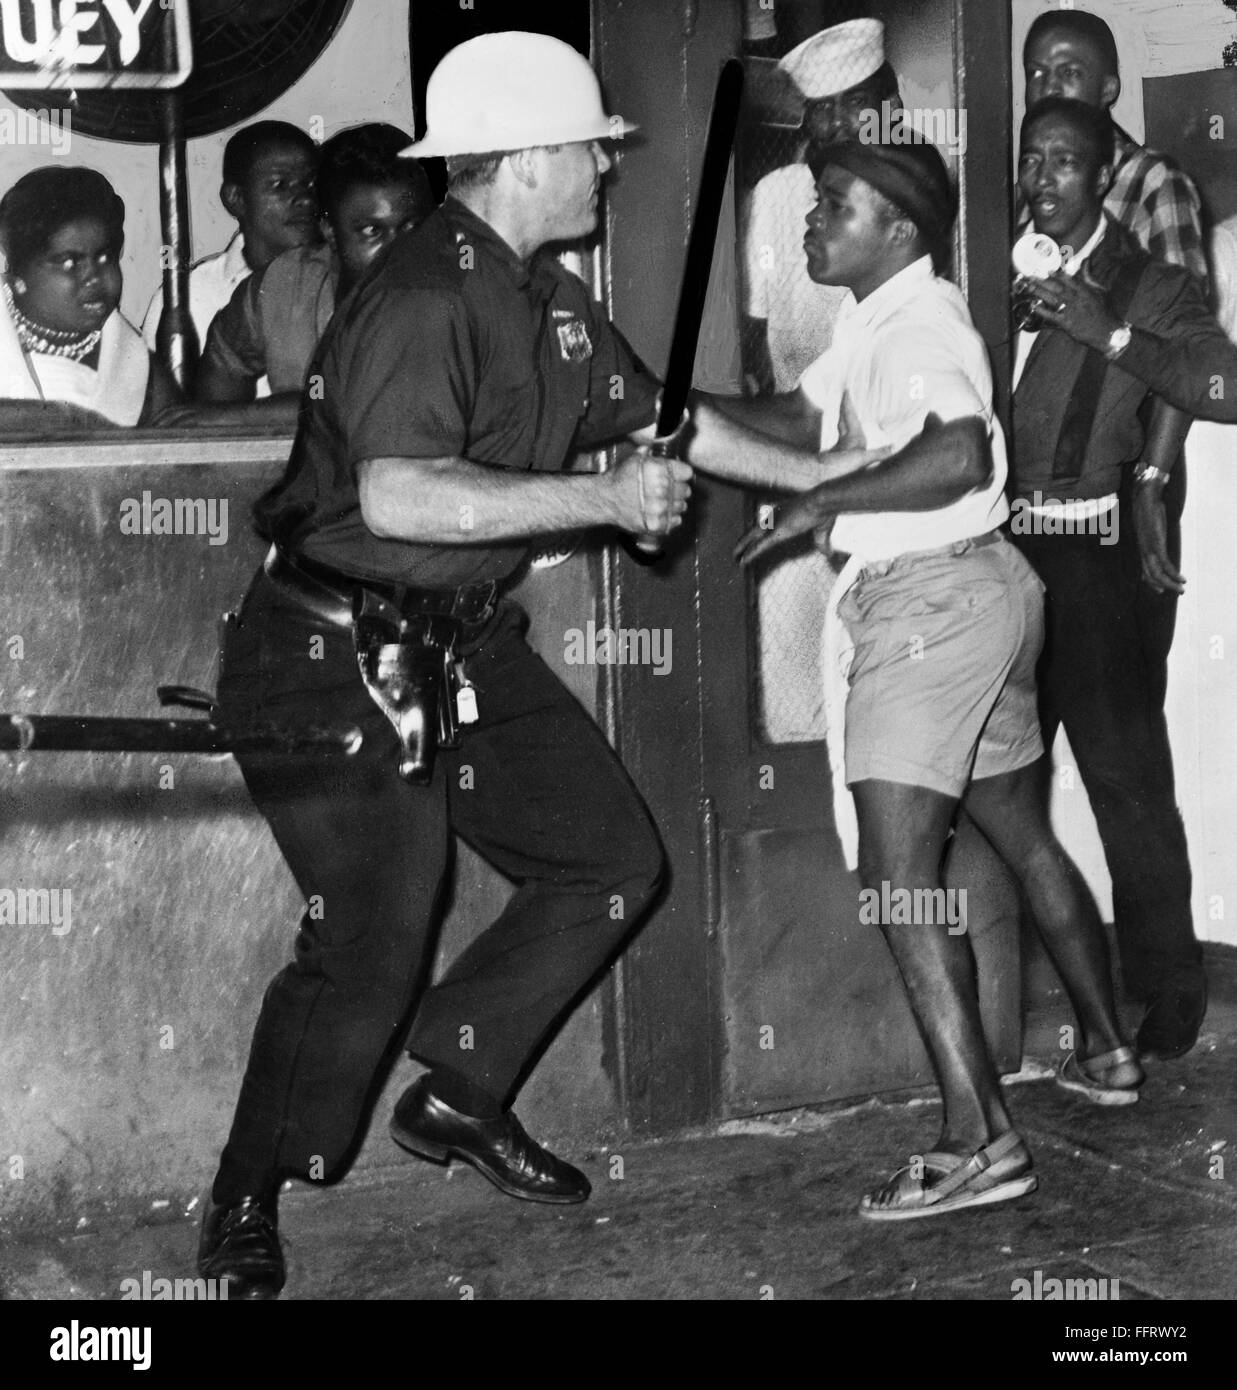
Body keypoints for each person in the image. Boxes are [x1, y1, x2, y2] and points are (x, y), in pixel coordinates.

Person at [196, 31, 690, 1298]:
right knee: (366, 935)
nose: (602, 165)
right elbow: (406, 497)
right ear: (530, 153)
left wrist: (832, 470)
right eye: (590, 145)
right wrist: (599, 502)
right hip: (324, 650)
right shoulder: (423, 292)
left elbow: (661, 420)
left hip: (457, 643)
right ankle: (242, 1197)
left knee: (609, 861)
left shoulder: (544, 295)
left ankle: (457, 1086)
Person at [678, 135, 1143, 1219]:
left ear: (897, 229)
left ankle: (979, 1138)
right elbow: (801, 418)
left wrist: (817, 505)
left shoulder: (921, 326)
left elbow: (960, 454)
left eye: (831, 206)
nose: (808, 221)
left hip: (929, 609)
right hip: (986, 595)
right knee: (1022, 836)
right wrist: (669, 406)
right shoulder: (872, 318)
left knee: (898, 880)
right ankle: (1110, 1052)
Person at [1012, 98, 1216, 1059]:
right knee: (993, 780)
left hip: (1095, 569)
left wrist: (1115, 337)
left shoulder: (1151, 285)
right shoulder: (989, 267)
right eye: (1031, 159)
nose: (1043, 178)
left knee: (1125, 782)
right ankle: (996, 980)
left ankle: (1169, 988)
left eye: (1063, 162)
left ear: (1102, 177)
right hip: (998, 562)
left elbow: (1223, 386)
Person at [741, 18, 901, 744]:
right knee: (794, 685)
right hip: (794, 465)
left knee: (885, 688)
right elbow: (747, 343)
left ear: (887, 107)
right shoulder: (775, 200)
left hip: (894, 477)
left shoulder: (921, 201)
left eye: (854, 107)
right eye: (821, 111)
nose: (836, 127)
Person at [196, 124, 433, 406]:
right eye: (372, 231)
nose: (399, 251)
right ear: (330, 231)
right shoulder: (283, 285)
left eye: (412, 226)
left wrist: (257, 415)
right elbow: (213, 398)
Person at [141, 119, 319, 391]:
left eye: (310, 183)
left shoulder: (337, 282)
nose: (305, 199)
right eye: (280, 184)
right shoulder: (187, 297)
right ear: (235, 198)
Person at [0, 166, 182, 431]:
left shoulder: (141, 370)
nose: (94, 277)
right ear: (19, 277)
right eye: (69, 262)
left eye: (104, 257)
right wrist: (64, 422)